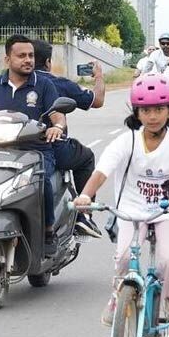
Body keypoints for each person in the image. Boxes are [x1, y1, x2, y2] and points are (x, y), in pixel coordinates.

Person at [74, 74, 169, 337]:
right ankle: (117, 297)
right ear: (136, 113)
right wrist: (86, 195)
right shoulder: (128, 142)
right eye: (145, 110)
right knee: (123, 258)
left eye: (159, 109)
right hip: (132, 211)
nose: (153, 116)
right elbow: (102, 172)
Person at [0, 34, 68, 255]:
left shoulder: (45, 85)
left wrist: (56, 127)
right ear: (7, 60)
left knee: (43, 184)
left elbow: (59, 116)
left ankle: (48, 231)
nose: (28, 60)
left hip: (37, 151)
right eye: (21, 56)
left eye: (30, 56)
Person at [32, 40, 105, 238]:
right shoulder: (57, 83)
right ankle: (84, 215)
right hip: (51, 148)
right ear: (48, 62)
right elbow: (97, 100)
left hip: (19, 147)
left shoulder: (10, 83)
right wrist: (99, 77)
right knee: (86, 157)